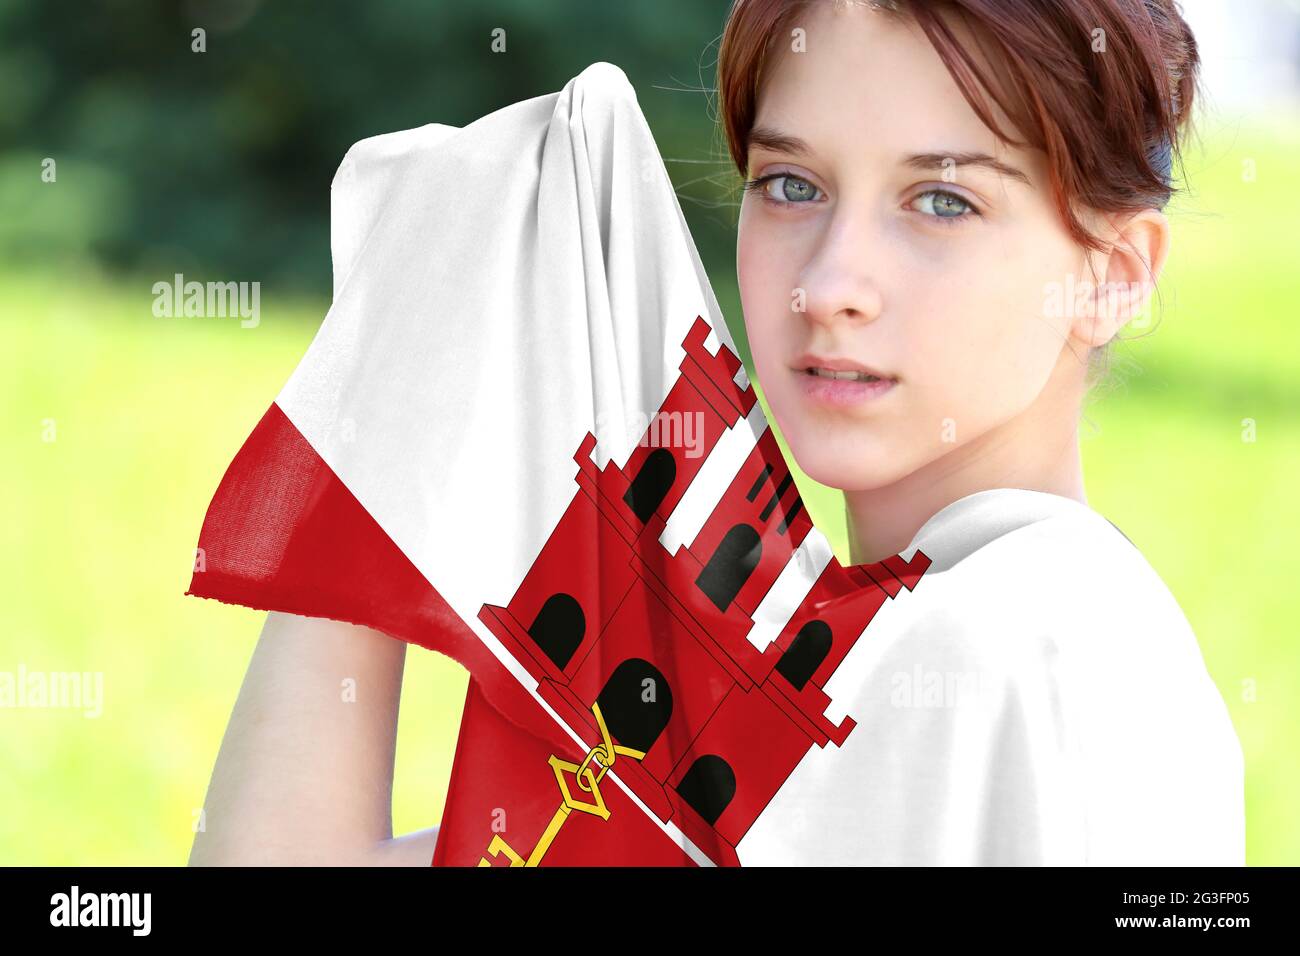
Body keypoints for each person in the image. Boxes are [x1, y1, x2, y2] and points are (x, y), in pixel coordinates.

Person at [190, 0, 1243, 866]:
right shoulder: (820, 660)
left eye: (940, 201)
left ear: (1109, 275)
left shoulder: (1039, 649)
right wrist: (404, 341)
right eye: (791, 186)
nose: (830, 286)